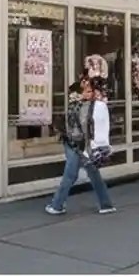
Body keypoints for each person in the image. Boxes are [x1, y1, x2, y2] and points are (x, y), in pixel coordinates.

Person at [46, 74, 116, 215]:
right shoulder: (84, 107)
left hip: (77, 146)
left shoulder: (82, 106)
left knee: (72, 175)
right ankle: (105, 204)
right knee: (89, 174)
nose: (91, 94)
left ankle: (57, 205)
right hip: (81, 146)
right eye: (87, 91)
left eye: (91, 91)